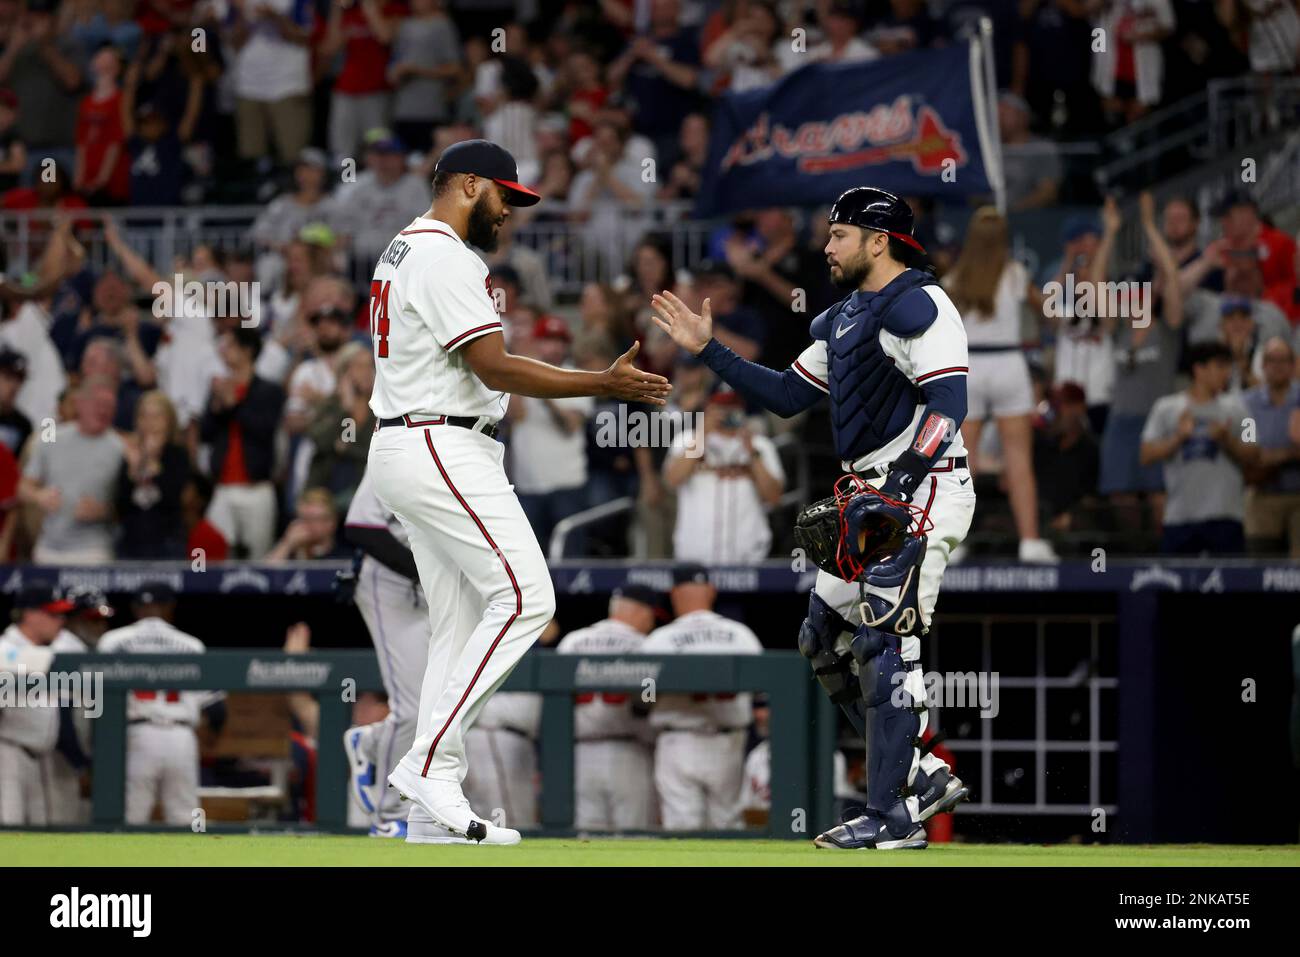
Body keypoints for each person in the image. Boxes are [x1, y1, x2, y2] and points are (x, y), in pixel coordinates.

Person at [366, 138, 671, 846]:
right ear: (469, 185)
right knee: (529, 598)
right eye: (505, 196)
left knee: (457, 621)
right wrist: (601, 381)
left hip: (415, 438)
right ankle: (427, 765)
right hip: (439, 439)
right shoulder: (443, 255)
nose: (511, 214)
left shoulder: (402, 248)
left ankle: (424, 811)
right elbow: (493, 366)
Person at [650, 187, 974, 849]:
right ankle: (919, 768)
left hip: (926, 486)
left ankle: (892, 817)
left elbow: (950, 404)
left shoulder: (923, 302)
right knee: (820, 638)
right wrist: (710, 350)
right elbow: (789, 397)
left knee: (886, 642)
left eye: (840, 235)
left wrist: (904, 483)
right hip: (873, 495)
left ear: (878, 240)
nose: (825, 247)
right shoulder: (844, 315)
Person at [944, 206, 1056, 562]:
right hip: (1008, 362)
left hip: (970, 365)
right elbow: (1046, 311)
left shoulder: (954, 279)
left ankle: (954, 543)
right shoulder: (1016, 274)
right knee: (1018, 459)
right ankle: (1030, 541)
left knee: (964, 462)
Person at [342, 466, 430, 839]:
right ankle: (389, 815)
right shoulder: (395, 441)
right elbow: (360, 526)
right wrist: (423, 572)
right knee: (411, 708)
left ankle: (373, 741)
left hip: (436, 585)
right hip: (390, 583)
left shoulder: (471, 447)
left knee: (442, 703)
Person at [640, 565, 762, 830]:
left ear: (673, 593)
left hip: (677, 738)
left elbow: (641, 699)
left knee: (681, 827)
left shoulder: (659, 640)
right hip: (727, 740)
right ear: (711, 591)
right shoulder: (741, 636)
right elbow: (760, 693)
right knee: (727, 823)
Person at [96, 583, 218, 826]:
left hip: (136, 733)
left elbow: (96, 704)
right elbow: (216, 711)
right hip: (181, 734)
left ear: (135, 608)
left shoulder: (111, 641)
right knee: (185, 817)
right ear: (170, 608)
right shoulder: (192, 645)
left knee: (130, 816)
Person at [554, 584, 661, 831]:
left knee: (587, 836)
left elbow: (557, 700)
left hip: (579, 754)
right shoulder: (644, 645)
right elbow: (649, 699)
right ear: (642, 613)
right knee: (634, 836)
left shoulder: (573, 641)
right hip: (629, 751)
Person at [1140, 342, 1257, 554]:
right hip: (1180, 516)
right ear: (1199, 369)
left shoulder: (1240, 408)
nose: (1226, 373)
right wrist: (1178, 438)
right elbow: (1146, 454)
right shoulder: (1165, 408)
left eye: (1228, 367)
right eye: (1220, 366)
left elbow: (1254, 453)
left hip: (1226, 515)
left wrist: (1226, 440)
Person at [664, 389, 784, 563]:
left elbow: (774, 497)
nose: (726, 415)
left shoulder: (760, 445)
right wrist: (702, 435)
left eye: (732, 409)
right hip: (695, 557)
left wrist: (752, 453)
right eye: (720, 409)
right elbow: (672, 480)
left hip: (749, 557)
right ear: (707, 410)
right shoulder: (687, 441)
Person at [507, 316, 594, 556]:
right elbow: (516, 416)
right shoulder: (521, 375)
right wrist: (518, 367)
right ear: (536, 344)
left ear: (566, 346)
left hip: (567, 485)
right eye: (546, 341)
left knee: (570, 562)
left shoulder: (578, 376)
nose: (553, 347)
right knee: (529, 561)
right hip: (528, 486)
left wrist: (540, 386)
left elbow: (570, 425)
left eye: (558, 341)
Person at [199, 327, 285, 559]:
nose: (223, 351)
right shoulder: (219, 388)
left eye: (230, 346)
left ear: (247, 351)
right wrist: (218, 408)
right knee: (212, 551)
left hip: (256, 488)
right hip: (223, 487)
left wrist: (233, 404)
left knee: (259, 556)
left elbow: (264, 431)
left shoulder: (270, 391)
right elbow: (205, 434)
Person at [19, 378, 123, 563]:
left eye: (109, 406)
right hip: (48, 548)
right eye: (98, 404)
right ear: (80, 404)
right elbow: (23, 487)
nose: (104, 410)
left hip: (94, 550)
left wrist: (104, 511)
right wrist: (39, 496)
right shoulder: (49, 437)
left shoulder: (119, 447)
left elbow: (128, 504)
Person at [0, 582, 73, 826]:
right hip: (7, 751)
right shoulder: (4, 649)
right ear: (29, 614)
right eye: (53, 614)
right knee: (8, 831)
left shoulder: (48, 651)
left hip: (38, 756)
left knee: (38, 833)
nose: (60, 620)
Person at [1241, 337, 1300, 556]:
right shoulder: (1247, 404)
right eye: (1272, 360)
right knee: (1258, 560)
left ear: (1293, 365)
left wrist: (1272, 456)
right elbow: (1249, 451)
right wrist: (1287, 453)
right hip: (1262, 493)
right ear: (1263, 365)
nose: (1278, 366)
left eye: (1284, 360)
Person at [115, 389, 190, 559]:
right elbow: (121, 506)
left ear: (169, 422)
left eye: (157, 417)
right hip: (130, 544)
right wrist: (132, 471)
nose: (150, 423)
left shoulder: (177, 454)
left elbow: (172, 499)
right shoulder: (129, 456)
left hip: (168, 543)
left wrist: (152, 463)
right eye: (144, 416)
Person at [265, 487, 349, 561]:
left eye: (313, 519)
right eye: (303, 519)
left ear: (331, 522)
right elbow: (266, 574)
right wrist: (287, 544)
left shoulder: (344, 558)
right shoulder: (290, 553)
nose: (307, 525)